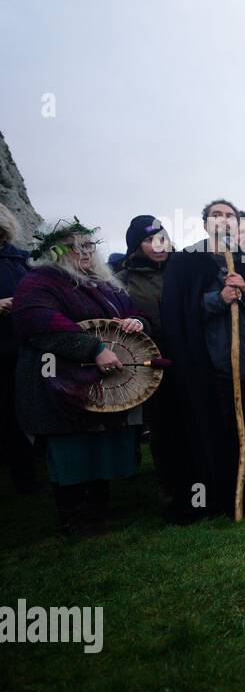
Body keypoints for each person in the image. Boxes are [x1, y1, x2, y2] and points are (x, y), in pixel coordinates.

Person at [161, 199, 245, 520]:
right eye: (217, 215)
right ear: (205, 223)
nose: (224, 220)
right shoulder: (187, 261)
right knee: (217, 431)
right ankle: (220, 493)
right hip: (210, 367)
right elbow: (179, 315)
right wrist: (217, 299)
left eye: (230, 216)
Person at [11, 220, 142, 532]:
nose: (84, 252)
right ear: (56, 252)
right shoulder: (39, 282)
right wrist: (92, 348)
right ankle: (73, 514)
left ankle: (99, 507)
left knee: (100, 442)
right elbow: (41, 321)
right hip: (56, 382)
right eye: (75, 246)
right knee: (71, 449)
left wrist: (136, 321)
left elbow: (132, 311)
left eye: (88, 245)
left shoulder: (103, 283)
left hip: (100, 381)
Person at [114, 214, 195, 519]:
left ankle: (205, 482)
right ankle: (173, 491)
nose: (157, 244)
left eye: (161, 237)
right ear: (136, 246)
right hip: (152, 360)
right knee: (164, 426)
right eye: (148, 240)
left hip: (191, 356)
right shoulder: (123, 280)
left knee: (196, 419)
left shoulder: (183, 268)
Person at [0, 204, 36, 493]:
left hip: (29, 344)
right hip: (2, 349)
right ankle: (23, 475)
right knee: (8, 412)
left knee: (37, 404)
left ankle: (45, 466)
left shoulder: (22, 259)